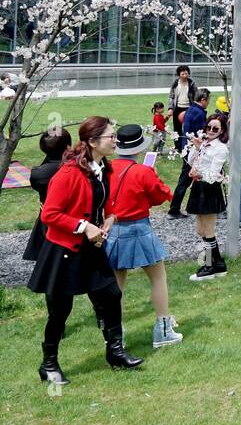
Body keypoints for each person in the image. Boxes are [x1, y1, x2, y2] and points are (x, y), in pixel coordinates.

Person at [27, 116, 142, 386]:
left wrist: (110, 219)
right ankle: (48, 364)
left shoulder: (105, 168)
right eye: (110, 137)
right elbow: (51, 215)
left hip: (91, 248)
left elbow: (105, 202)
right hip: (63, 250)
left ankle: (115, 352)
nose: (116, 141)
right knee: (60, 310)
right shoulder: (67, 173)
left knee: (111, 295)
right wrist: (84, 226)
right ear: (92, 142)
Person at [105, 124, 182, 349]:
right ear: (139, 148)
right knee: (158, 277)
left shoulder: (105, 168)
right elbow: (162, 195)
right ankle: (163, 329)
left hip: (112, 229)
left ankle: (115, 334)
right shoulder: (142, 171)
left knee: (116, 284)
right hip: (138, 227)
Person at [185, 113, 230, 281]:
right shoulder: (204, 144)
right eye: (208, 127)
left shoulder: (220, 148)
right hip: (199, 187)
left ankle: (209, 265)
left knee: (208, 230)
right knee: (200, 229)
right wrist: (197, 148)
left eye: (215, 128)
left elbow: (213, 175)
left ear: (222, 130)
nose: (211, 131)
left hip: (210, 189)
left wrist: (199, 174)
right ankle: (218, 264)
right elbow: (190, 162)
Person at [23, 127, 73, 262]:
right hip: (73, 219)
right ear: (68, 146)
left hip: (47, 219)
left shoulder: (38, 174)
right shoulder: (77, 169)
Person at [169, 87, 210, 219]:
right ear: (203, 99)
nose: (208, 102)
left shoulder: (190, 110)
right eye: (208, 100)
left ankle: (177, 208)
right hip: (193, 151)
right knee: (188, 180)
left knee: (186, 180)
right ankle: (175, 209)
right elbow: (200, 133)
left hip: (186, 149)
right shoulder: (199, 113)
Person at [168, 65, 198, 151]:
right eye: (183, 74)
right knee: (177, 128)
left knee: (189, 128)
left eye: (186, 73)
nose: (185, 75)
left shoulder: (192, 83)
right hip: (178, 108)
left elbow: (196, 96)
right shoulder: (175, 83)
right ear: (179, 74)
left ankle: (188, 146)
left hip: (189, 108)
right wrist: (171, 108)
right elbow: (171, 96)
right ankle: (178, 147)